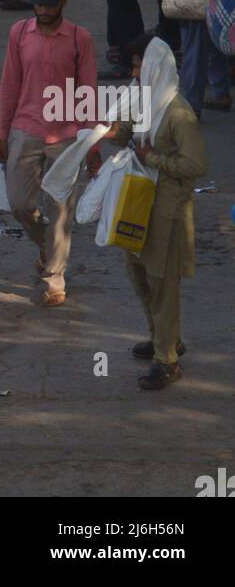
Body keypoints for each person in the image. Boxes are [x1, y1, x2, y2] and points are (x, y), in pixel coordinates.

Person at [100, 35, 207, 389]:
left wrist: (154, 159)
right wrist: (111, 130)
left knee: (163, 283)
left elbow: (196, 163)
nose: (133, 72)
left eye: (137, 66)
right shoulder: (141, 99)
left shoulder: (178, 113)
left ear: (154, 68)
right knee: (138, 272)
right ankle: (163, 338)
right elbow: (126, 132)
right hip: (139, 200)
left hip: (168, 210)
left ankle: (167, 360)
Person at [0, 0, 98, 307]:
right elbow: (9, 84)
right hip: (26, 130)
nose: (42, 10)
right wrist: (1, 132)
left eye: (49, 4)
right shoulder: (19, 34)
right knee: (19, 203)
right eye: (38, 4)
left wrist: (92, 145)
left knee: (60, 212)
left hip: (67, 137)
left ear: (62, 3)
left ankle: (55, 277)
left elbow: (87, 93)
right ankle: (47, 248)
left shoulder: (79, 39)